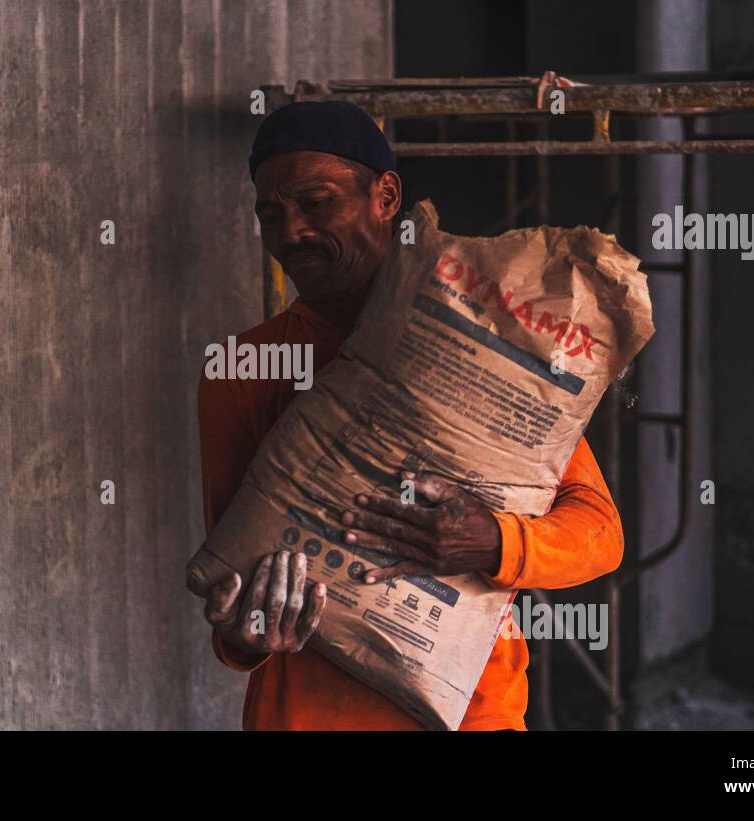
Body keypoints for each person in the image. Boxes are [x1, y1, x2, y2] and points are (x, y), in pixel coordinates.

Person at [197, 100, 624, 730]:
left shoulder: (487, 348)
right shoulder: (243, 370)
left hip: (475, 717)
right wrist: (250, 631)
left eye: (316, 203)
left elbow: (599, 535)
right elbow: (231, 583)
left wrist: (495, 539)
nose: (291, 232)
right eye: (270, 214)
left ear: (386, 195)